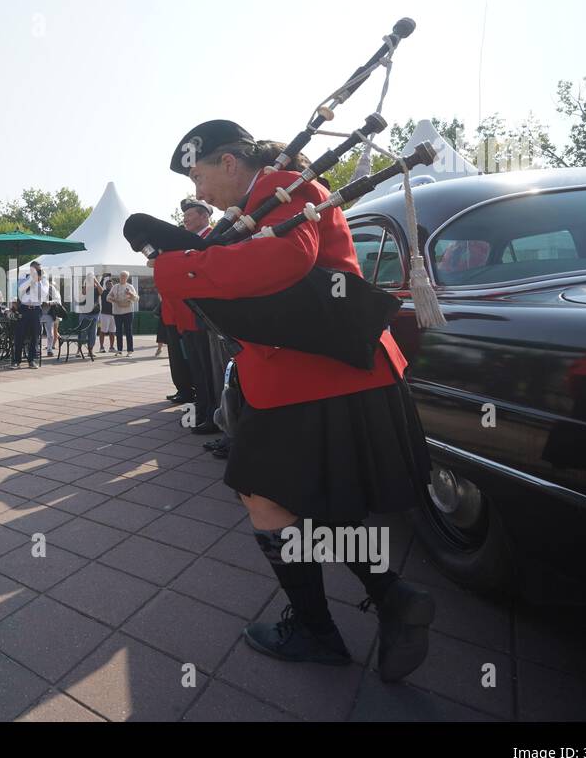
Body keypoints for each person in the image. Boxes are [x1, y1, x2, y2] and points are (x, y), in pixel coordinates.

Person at [156, 119, 435, 680]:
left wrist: (175, 267)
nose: (199, 193)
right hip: (316, 376)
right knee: (306, 502)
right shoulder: (261, 200)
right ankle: (388, 598)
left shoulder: (291, 186)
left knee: (266, 498)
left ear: (229, 163)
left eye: (200, 176)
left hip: (316, 377)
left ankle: (324, 625)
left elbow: (286, 261)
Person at [178, 198, 220, 435]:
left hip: (207, 314)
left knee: (209, 367)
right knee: (198, 368)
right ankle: (203, 411)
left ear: (204, 216)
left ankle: (214, 415)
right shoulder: (190, 240)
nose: (185, 218)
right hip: (190, 314)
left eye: (189, 215)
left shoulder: (212, 237)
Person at [12, 262, 46, 369]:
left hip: (36, 310)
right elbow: (20, 288)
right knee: (19, 335)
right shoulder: (23, 277)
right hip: (24, 309)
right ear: (31, 269)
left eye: (39, 270)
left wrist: (37, 281)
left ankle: (32, 360)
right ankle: (16, 361)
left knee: (35, 336)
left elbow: (43, 295)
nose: (38, 271)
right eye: (36, 270)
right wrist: (32, 279)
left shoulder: (43, 279)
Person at [109, 270, 139, 354]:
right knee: (118, 331)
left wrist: (130, 294)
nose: (122, 278)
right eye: (121, 276)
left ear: (127, 278)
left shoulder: (130, 286)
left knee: (128, 331)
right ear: (119, 277)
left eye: (124, 276)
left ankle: (130, 350)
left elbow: (136, 299)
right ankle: (119, 350)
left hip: (128, 312)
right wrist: (113, 299)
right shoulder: (115, 287)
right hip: (117, 312)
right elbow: (108, 297)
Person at [97, 273, 115, 352]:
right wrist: (103, 278)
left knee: (112, 332)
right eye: (107, 284)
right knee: (103, 331)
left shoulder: (115, 293)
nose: (109, 286)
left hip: (114, 315)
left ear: (112, 285)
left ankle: (111, 347)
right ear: (106, 285)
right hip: (104, 314)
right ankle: (101, 347)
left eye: (110, 284)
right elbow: (98, 285)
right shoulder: (103, 292)